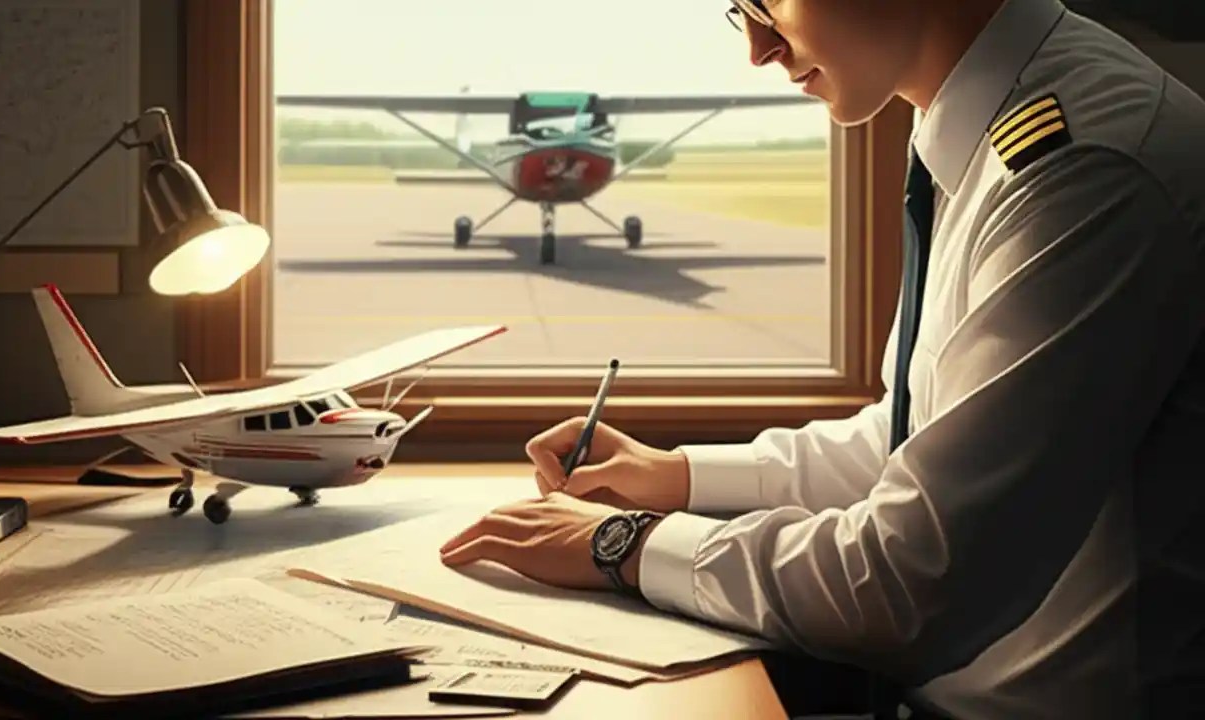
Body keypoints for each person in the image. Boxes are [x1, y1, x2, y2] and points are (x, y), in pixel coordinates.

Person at [437, 0, 1205, 717]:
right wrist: (677, 476)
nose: (757, 49)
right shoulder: (991, 129)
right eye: (740, 12)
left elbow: (911, 585)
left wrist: (622, 544)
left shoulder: (1082, 172)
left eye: (768, 4)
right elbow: (911, 445)